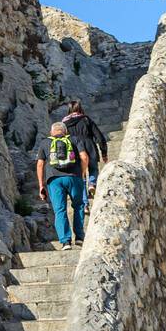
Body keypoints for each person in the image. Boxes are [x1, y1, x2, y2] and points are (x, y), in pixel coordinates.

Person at [37, 121, 90, 250]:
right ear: (65, 131)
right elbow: (84, 157)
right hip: (74, 177)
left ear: (51, 132)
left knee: (60, 210)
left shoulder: (45, 143)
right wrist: (82, 173)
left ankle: (65, 242)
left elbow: (40, 164)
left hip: (54, 180)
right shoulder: (74, 139)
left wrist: (41, 185)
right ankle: (79, 237)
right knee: (78, 206)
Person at [62, 100, 108, 197]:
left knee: (80, 174)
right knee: (93, 168)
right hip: (89, 145)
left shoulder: (64, 123)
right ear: (80, 108)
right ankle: (92, 184)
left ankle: (85, 203)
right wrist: (104, 153)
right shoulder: (86, 119)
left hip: (74, 148)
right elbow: (99, 137)